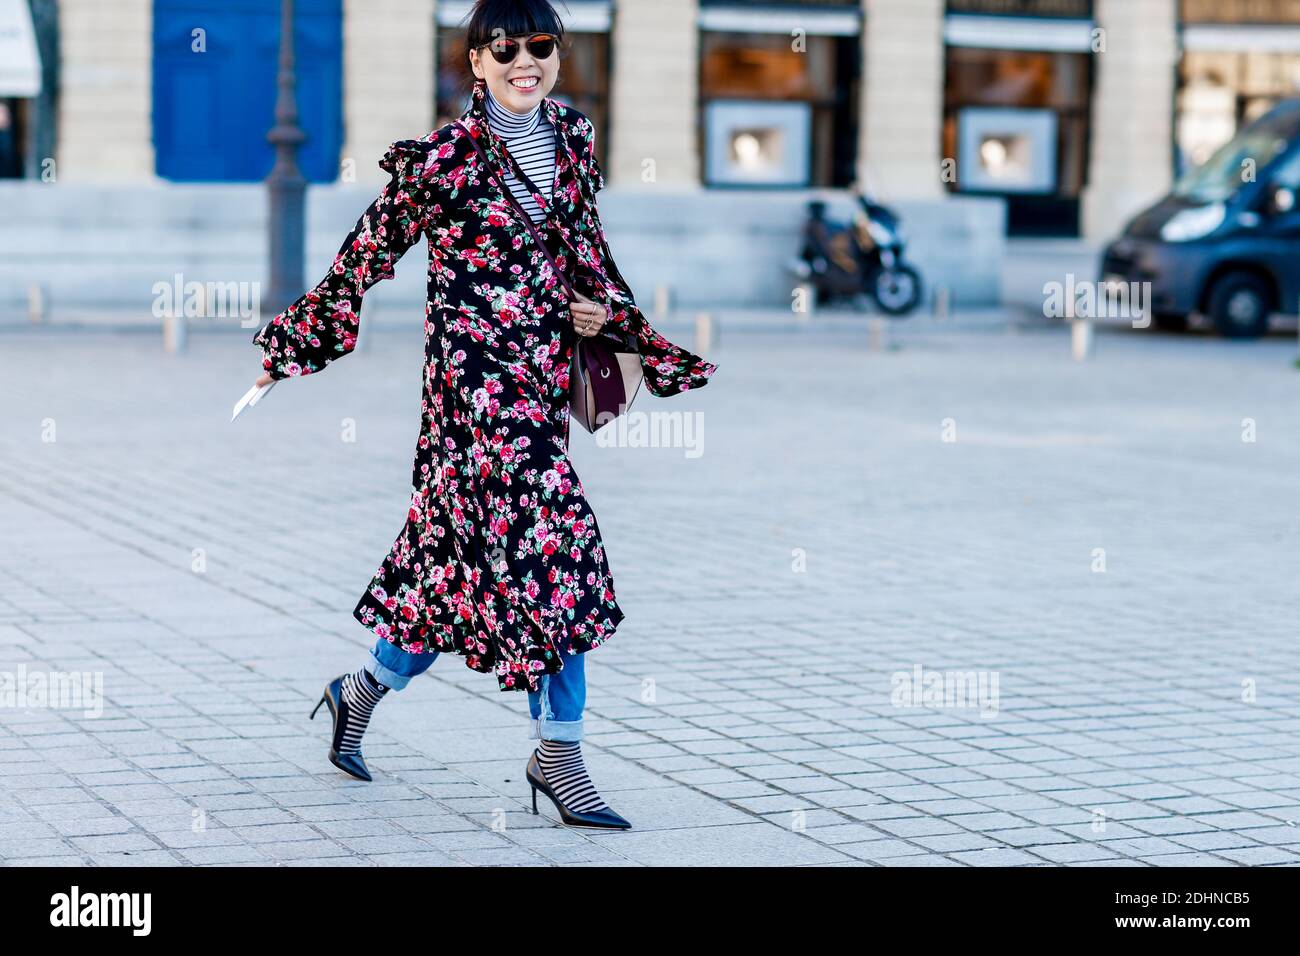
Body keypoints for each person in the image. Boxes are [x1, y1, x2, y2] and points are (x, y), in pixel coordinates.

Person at [251, 0, 717, 830]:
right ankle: (560, 755)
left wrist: (596, 306)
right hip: (471, 393)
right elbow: (368, 251)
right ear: (474, 60)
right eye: (505, 48)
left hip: (536, 380)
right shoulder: (446, 158)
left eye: (541, 45)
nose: (524, 60)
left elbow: (586, 247)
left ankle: (355, 694)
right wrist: (301, 337)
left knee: (452, 576)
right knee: (556, 548)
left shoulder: (571, 136)